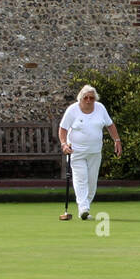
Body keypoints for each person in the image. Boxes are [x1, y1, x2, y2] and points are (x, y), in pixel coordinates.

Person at [58, 85, 122, 220]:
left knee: (92, 182)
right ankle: (83, 209)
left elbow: (110, 125)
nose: (88, 100)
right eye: (85, 97)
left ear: (95, 99)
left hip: (95, 152)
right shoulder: (73, 110)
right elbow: (63, 129)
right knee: (81, 179)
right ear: (80, 98)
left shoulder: (100, 108)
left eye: (91, 98)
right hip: (76, 152)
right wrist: (64, 144)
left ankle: (85, 206)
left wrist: (117, 140)